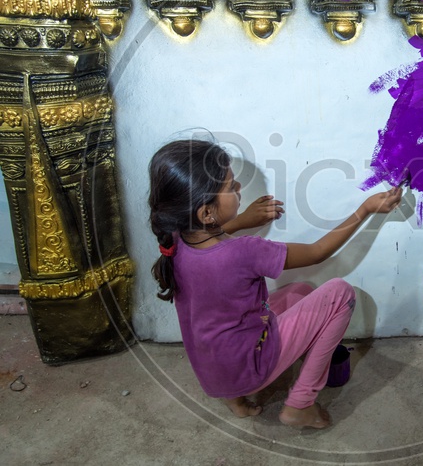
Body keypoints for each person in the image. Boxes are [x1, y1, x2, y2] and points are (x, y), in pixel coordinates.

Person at [148, 138, 402, 429]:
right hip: (250, 366)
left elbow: (211, 236)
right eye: (231, 186)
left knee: (300, 292)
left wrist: (241, 220)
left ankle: (238, 403)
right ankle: (300, 404)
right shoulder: (244, 251)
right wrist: (366, 209)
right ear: (207, 213)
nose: (240, 188)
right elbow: (319, 251)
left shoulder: (176, 241)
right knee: (339, 294)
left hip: (212, 371)